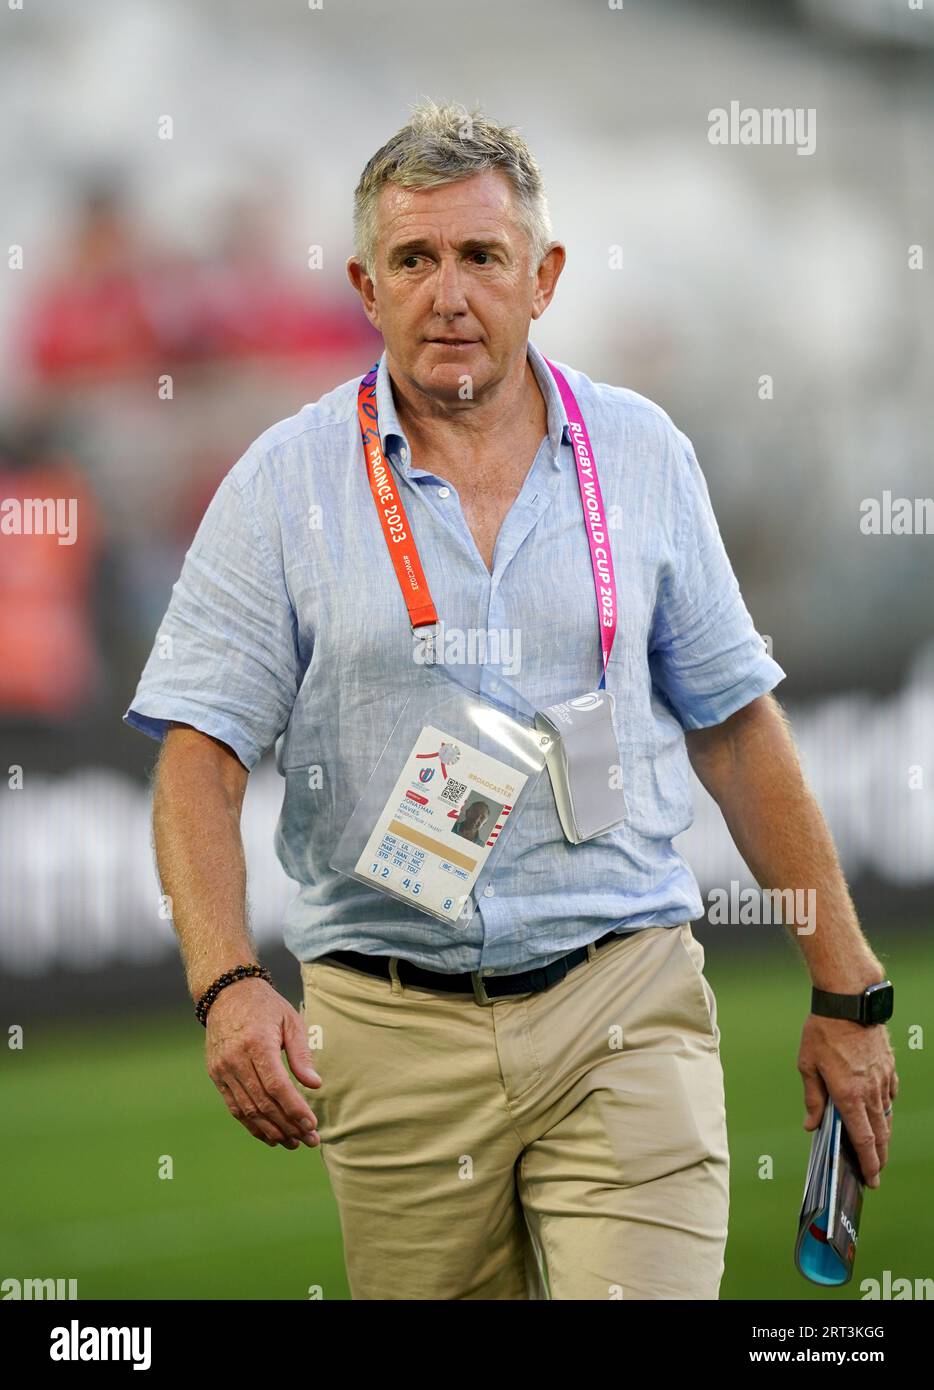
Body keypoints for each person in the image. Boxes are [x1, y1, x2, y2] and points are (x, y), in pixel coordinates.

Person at [124, 100, 897, 1301]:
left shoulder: (643, 453)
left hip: (621, 995)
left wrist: (848, 988)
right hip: (388, 1033)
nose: (447, 293)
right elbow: (197, 755)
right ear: (362, 286)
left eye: (481, 256)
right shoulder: (280, 485)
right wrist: (226, 985)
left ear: (542, 276)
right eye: (413, 260)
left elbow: (737, 728)